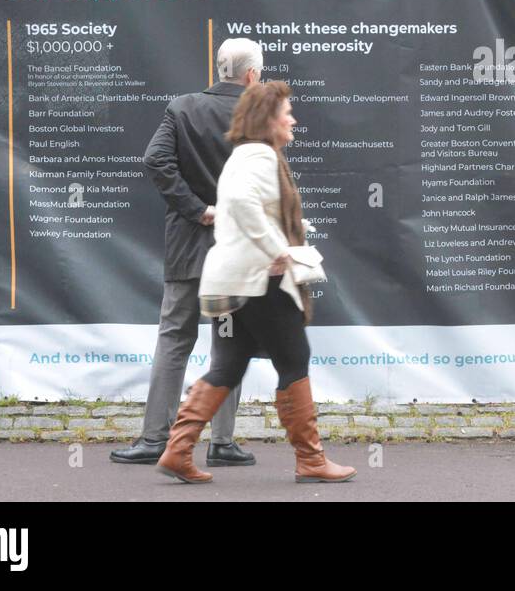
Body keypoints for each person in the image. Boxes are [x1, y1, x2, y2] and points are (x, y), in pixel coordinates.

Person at [157, 80, 355, 484]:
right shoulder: (261, 157)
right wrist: (275, 248)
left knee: (229, 363)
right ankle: (312, 460)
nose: (293, 119)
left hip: (231, 278)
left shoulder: (244, 155)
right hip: (258, 279)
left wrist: (292, 227)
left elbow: (241, 209)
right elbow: (246, 206)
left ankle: (177, 451)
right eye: (287, 113)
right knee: (294, 358)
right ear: (269, 120)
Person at [109, 39, 264, 468]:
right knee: (229, 342)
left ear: (220, 69)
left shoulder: (181, 108)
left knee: (174, 339)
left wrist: (197, 211)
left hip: (187, 247)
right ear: (251, 75)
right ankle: (223, 442)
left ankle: (153, 439)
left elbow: (156, 160)